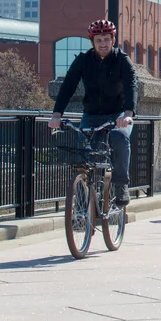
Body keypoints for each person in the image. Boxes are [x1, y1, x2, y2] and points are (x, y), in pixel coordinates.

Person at [49, 19, 138, 206]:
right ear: (92, 42)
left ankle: (121, 184)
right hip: (91, 115)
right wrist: (57, 114)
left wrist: (128, 113)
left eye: (106, 39)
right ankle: (81, 206)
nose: (103, 44)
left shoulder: (122, 60)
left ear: (113, 39)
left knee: (120, 139)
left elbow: (131, 86)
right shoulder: (83, 60)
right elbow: (68, 86)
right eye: (99, 40)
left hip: (117, 115)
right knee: (82, 157)